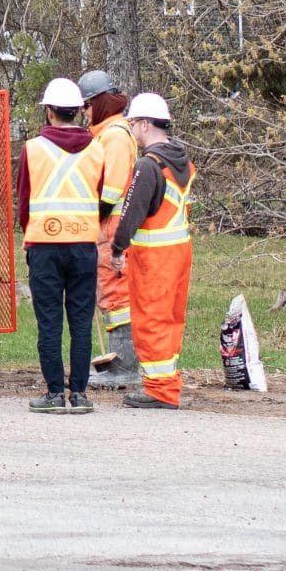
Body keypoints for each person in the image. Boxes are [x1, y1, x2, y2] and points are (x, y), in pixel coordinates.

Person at [17, 77, 106, 415]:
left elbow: (24, 201)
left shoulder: (32, 148)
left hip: (45, 244)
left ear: (50, 111)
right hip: (84, 244)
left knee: (50, 322)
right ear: (79, 111)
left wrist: (31, 233)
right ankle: (80, 394)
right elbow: (99, 194)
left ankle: (55, 393)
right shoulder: (97, 148)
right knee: (81, 322)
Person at [111, 91, 196, 410]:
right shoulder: (181, 159)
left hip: (154, 257)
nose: (131, 131)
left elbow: (132, 211)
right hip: (179, 252)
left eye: (133, 123)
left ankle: (160, 390)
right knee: (172, 319)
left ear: (145, 125)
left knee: (151, 319)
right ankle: (167, 382)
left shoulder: (149, 165)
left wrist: (118, 247)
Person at [77, 68, 139, 388]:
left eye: (86, 105)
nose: (83, 112)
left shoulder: (114, 135)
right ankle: (122, 361)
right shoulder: (106, 132)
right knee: (110, 293)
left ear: (98, 102)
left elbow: (111, 189)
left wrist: (92, 215)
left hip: (111, 223)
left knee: (117, 295)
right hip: (107, 222)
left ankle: (126, 365)